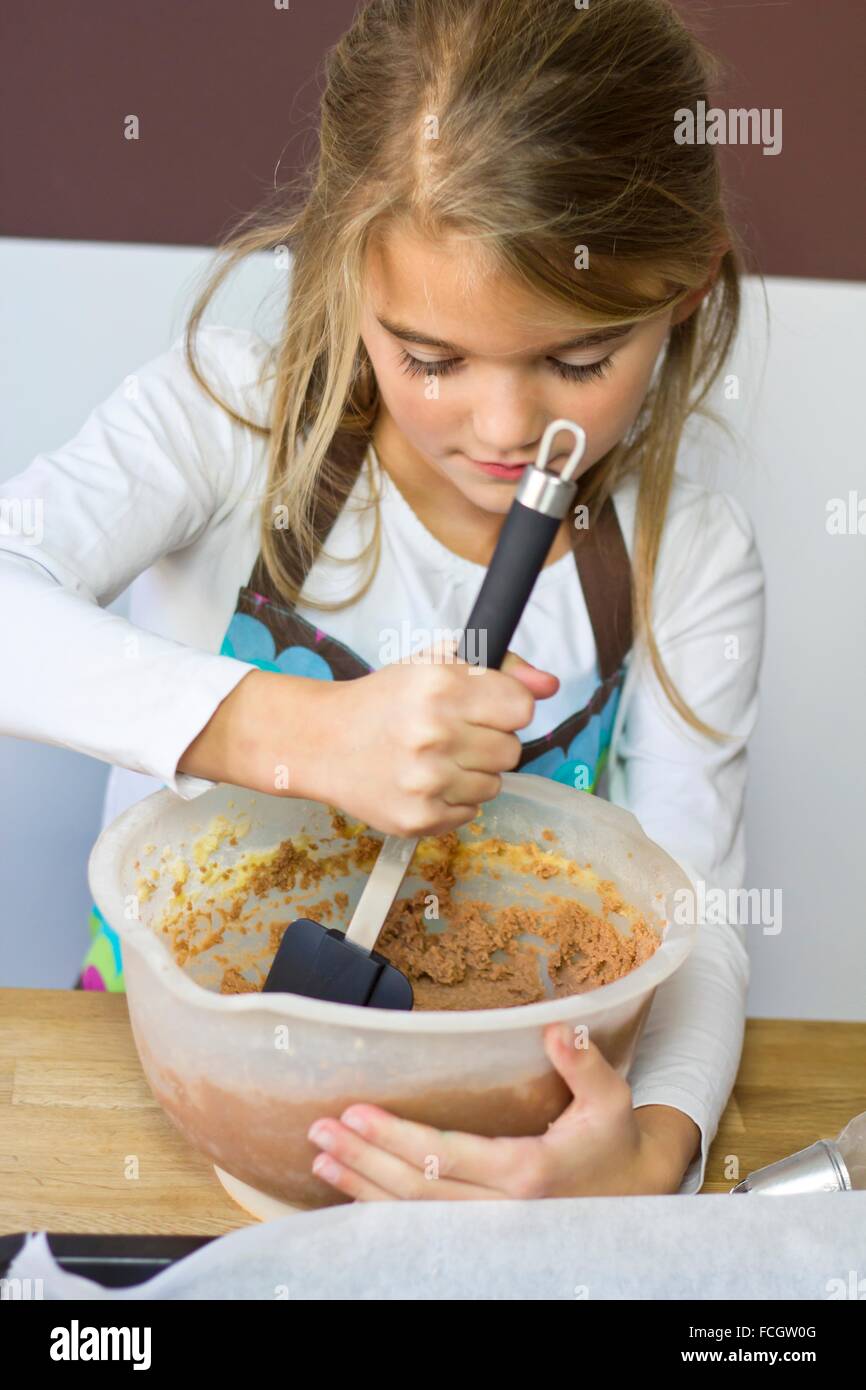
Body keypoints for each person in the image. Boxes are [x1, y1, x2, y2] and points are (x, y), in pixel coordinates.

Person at [0, 0, 764, 1198]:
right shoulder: (231, 425)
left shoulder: (684, 556)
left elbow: (692, 917)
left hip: (485, 1144)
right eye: (431, 358)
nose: (509, 429)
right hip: (156, 1107)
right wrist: (299, 733)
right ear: (345, 267)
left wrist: (651, 1151)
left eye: (576, 360)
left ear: (680, 291)